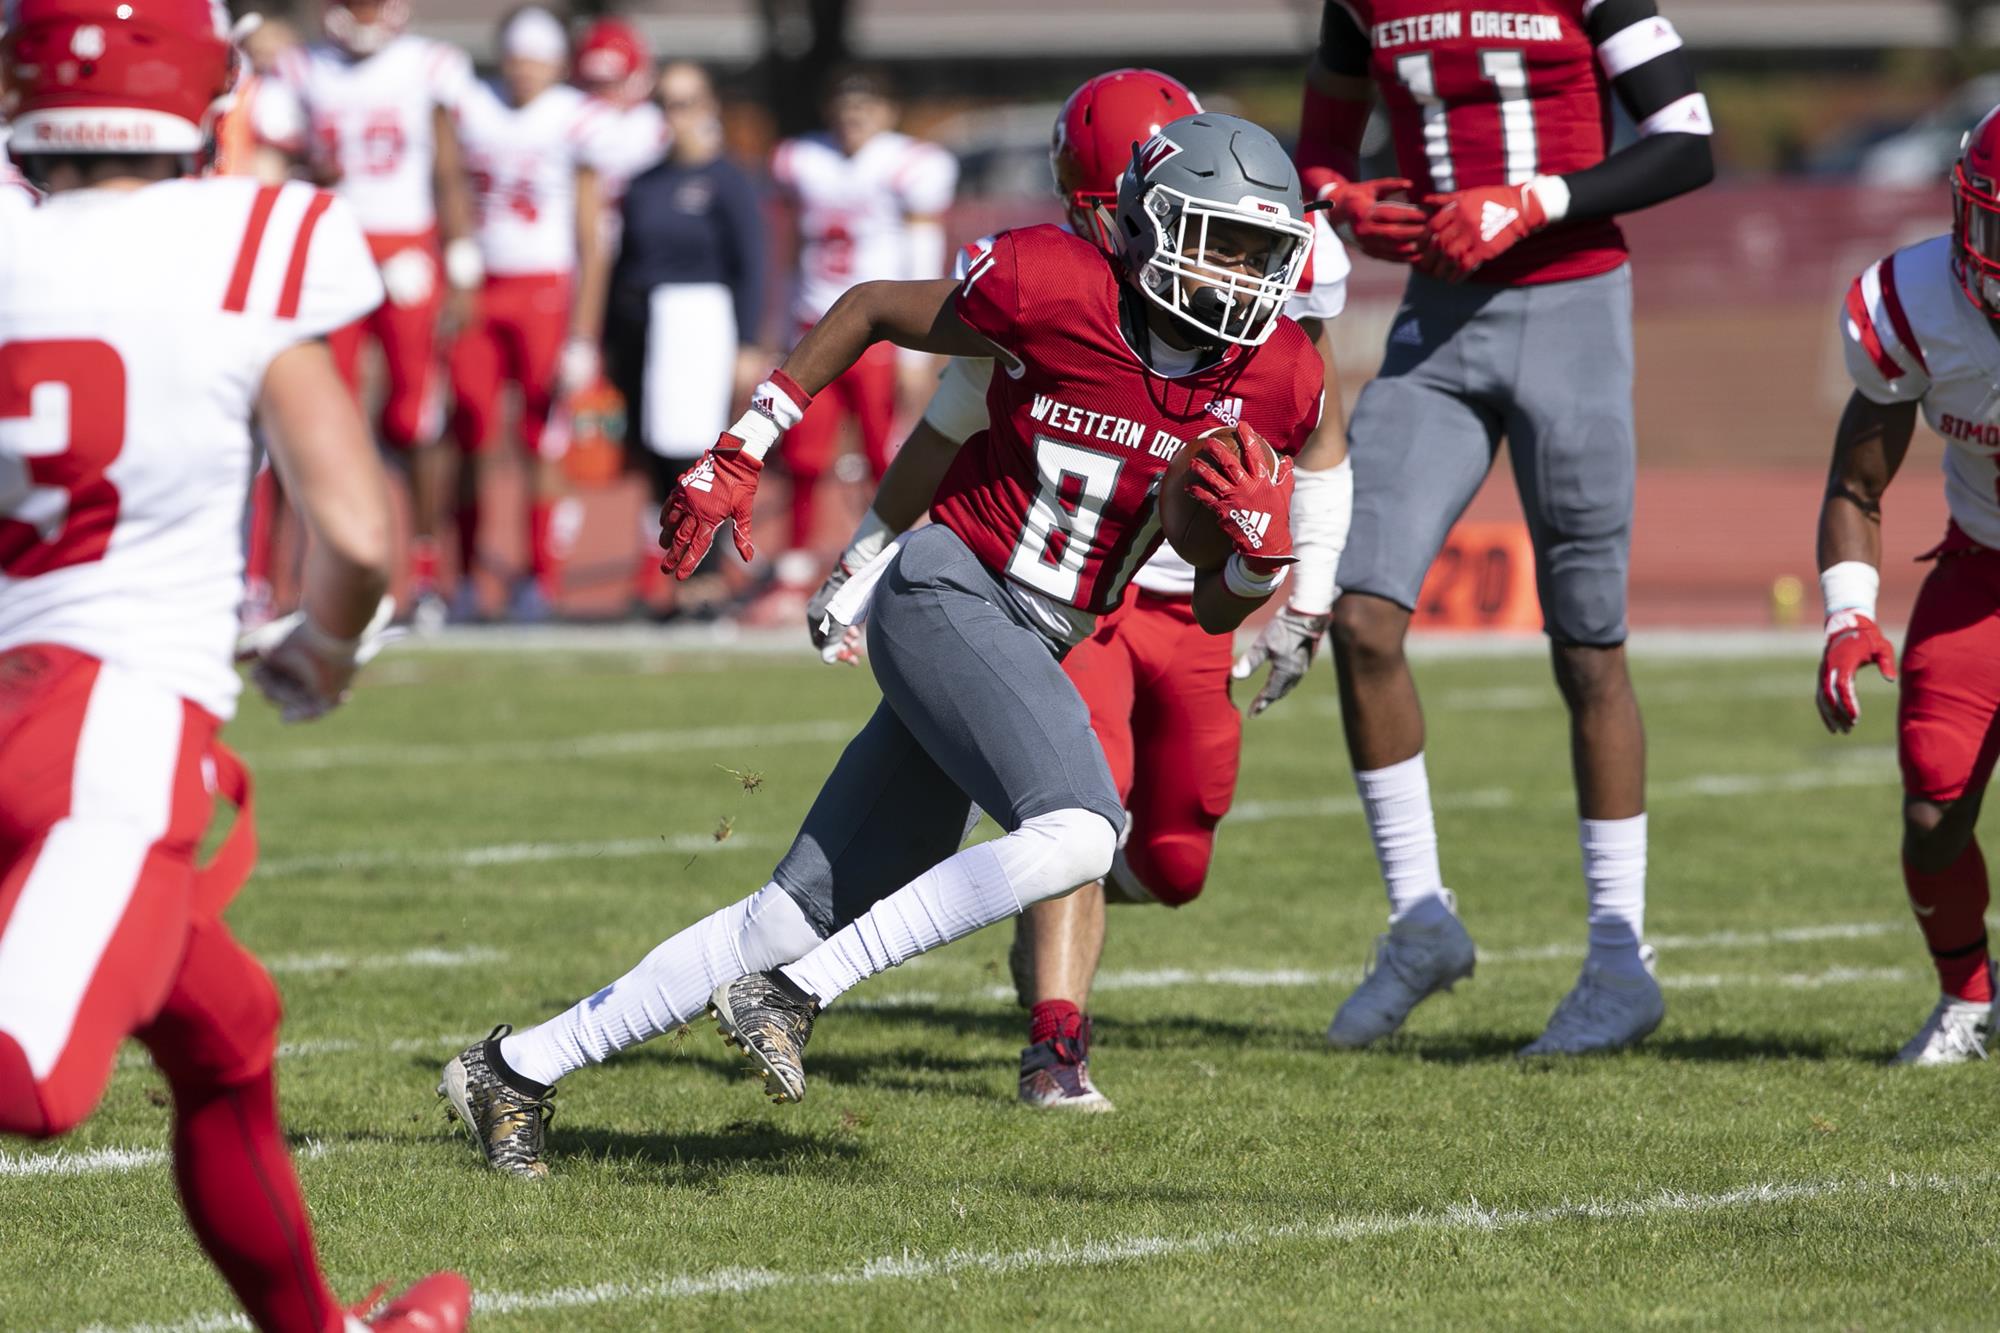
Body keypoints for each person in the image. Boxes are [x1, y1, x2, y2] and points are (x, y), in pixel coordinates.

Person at [440, 112, 1323, 1175]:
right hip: (949, 588)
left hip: (1029, 637)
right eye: (1216, 238)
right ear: (1143, 224)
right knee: (1086, 830)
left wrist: (1259, 564)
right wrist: (743, 444)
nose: (1239, 274)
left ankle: (518, 1066)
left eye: (1260, 252)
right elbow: (866, 309)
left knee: (785, 915)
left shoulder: (1272, 376)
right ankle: (797, 995)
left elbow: (1219, 607)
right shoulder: (1049, 283)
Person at [0, 1, 468, 1327]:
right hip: (111, 727)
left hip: (23, 694)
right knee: (35, 1077)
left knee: (231, 1039)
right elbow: (363, 529)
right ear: (202, 87)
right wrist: (320, 648)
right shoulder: (252, 237)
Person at [806, 69, 1356, 1111]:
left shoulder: (1263, 272)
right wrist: (867, 549)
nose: (1105, 235)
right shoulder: (1049, 294)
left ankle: (1049, 896)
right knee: (1072, 805)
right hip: (1068, 589)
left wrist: (1302, 584)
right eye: (1093, 211)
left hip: (1196, 588)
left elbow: (1317, 435)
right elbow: (949, 425)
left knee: (1178, 854)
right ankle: (1055, 1040)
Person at [1297, 0, 1713, 1055]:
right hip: (1436, 325)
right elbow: (1319, 155)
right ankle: (1418, 922)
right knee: (1360, 618)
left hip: (1572, 312)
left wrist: (1533, 201)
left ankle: (1620, 967)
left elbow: (1685, 143)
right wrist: (1345, 202)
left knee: (1586, 648)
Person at [1816, 106, 2000, 1065]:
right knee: (1933, 804)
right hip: (1984, 562)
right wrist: (1849, 614)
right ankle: (1969, 1000)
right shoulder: (1917, 305)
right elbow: (1857, 483)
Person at [255, 0, 478, 631]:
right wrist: (309, 170)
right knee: (321, 415)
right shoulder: (301, 69)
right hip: (330, 248)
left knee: (416, 415)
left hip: (406, 247)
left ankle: (428, 576)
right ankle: (304, 580)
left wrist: (458, 260)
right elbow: (273, 158)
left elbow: (448, 167)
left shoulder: (428, 66)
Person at [753, 66, 957, 622]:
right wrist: (776, 332)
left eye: (864, 109)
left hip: (880, 332)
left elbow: (922, 257)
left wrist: (920, 350)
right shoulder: (803, 161)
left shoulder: (908, 164)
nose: (853, 120)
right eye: (845, 109)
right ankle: (795, 562)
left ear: (888, 113)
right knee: (801, 450)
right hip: (813, 320)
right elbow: (790, 255)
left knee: (883, 453)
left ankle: (886, 564)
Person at [446, 6, 614, 622]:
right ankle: (463, 579)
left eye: (537, 59)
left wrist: (583, 333)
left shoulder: (575, 117)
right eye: (516, 58)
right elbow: (448, 181)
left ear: (556, 64)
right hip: (482, 285)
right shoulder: (470, 105)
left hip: (546, 288)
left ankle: (539, 581)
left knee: (542, 441)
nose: (524, 72)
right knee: (469, 430)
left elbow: (593, 236)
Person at [604, 60, 766, 615]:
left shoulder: (729, 182)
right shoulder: (645, 183)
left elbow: (751, 266)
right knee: (654, 456)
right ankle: (670, 574)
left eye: (686, 102)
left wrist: (747, 343)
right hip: (646, 329)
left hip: (703, 325)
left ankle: (709, 575)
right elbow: (624, 263)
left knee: (700, 454)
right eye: (665, 103)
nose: (675, 116)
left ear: (708, 106)